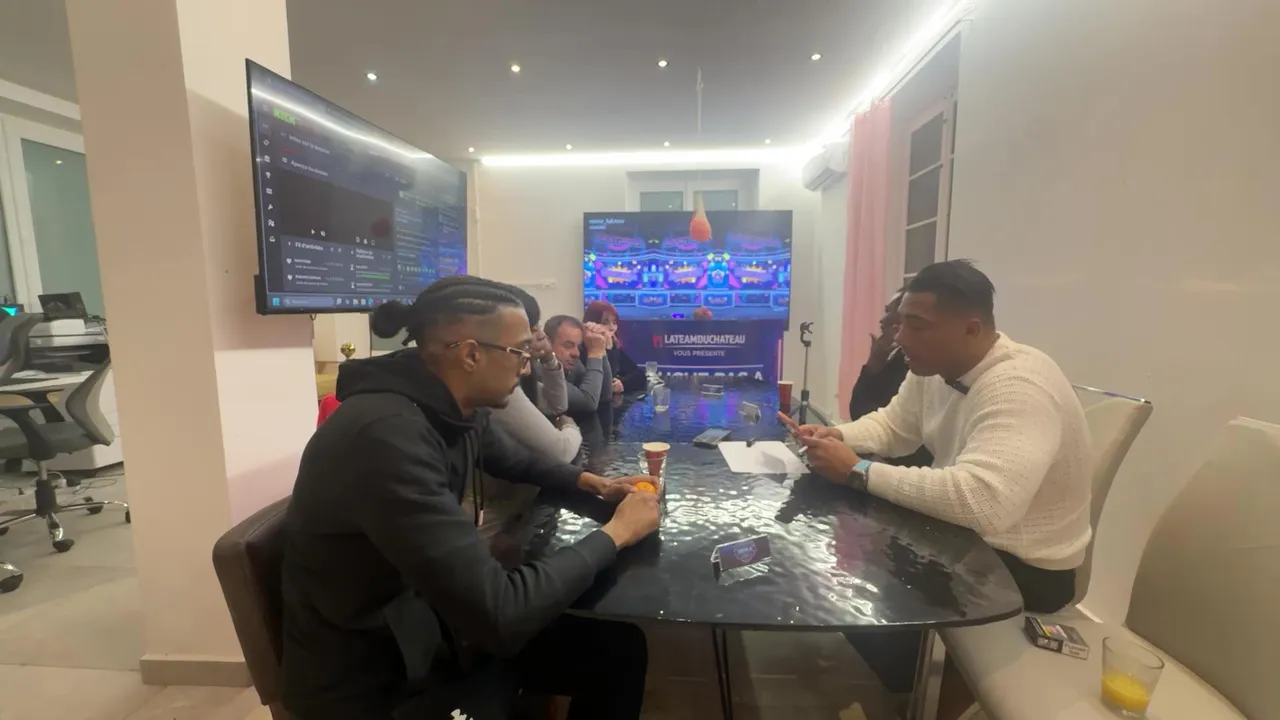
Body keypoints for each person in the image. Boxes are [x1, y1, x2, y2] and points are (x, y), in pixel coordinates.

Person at [280, 276, 660, 720]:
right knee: (592, 639)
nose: (525, 367)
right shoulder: (386, 438)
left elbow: (514, 459)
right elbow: (501, 614)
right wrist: (618, 532)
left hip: (431, 628)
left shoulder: (447, 407)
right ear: (471, 354)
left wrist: (591, 482)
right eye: (519, 352)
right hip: (378, 683)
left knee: (619, 651)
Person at [781, 260, 1091, 697]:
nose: (900, 338)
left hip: (1021, 567)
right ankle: (904, 677)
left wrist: (858, 470)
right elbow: (895, 426)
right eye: (900, 323)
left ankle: (930, 688)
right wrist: (839, 436)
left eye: (917, 326)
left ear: (971, 329)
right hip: (967, 539)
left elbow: (985, 504)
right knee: (849, 560)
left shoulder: (1018, 386)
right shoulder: (934, 367)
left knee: (857, 589)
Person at [469, 286, 583, 542]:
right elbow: (560, 451)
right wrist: (570, 426)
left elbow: (557, 405)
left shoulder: (511, 376)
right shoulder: (496, 389)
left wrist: (550, 359)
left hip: (510, 514)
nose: (540, 336)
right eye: (533, 328)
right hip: (491, 528)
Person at [848, 289, 932, 467]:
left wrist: (859, 469)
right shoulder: (897, 358)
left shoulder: (920, 366)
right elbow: (869, 417)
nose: (882, 320)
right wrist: (834, 435)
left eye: (889, 312)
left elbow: (867, 415)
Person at [544, 314, 613, 425]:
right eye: (568, 345)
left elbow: (605, 395)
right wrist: (595, 353)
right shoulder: (542, 371)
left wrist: (600, 346)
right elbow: (588, 402)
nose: (576, 353)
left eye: (578, 346)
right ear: (547, 343)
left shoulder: (572, 364)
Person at [584, 300, 645, 393]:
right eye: (605, 322)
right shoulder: (583, 349)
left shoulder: (613, 344)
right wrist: (608, 349)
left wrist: (623, 383)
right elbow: (605, 383)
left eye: (614, 322)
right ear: (592, 324)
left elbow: (639, 375)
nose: (612, 327)